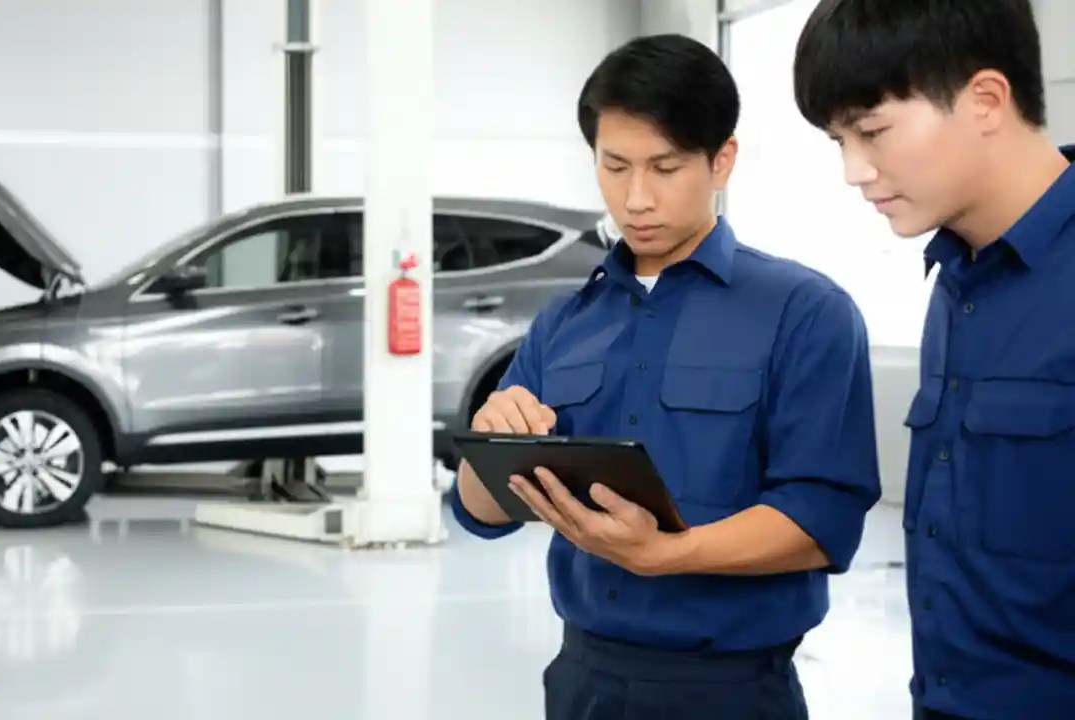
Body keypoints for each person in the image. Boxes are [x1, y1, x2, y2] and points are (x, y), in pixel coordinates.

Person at [450, 33, 882, 719]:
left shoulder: (805, 312)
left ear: (722, 161)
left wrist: (667, 554)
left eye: (665, 167)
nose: (637, 197)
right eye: (614, 167)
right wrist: (488, 446)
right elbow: (480, 511)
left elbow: (823, 520)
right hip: (581, 678)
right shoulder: (565, 321)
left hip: (732, 688)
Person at [792, 1, 1075, 718]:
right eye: (838, 142)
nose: (855, 170)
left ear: (985, 99)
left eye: (873, 131)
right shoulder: (957, 278)